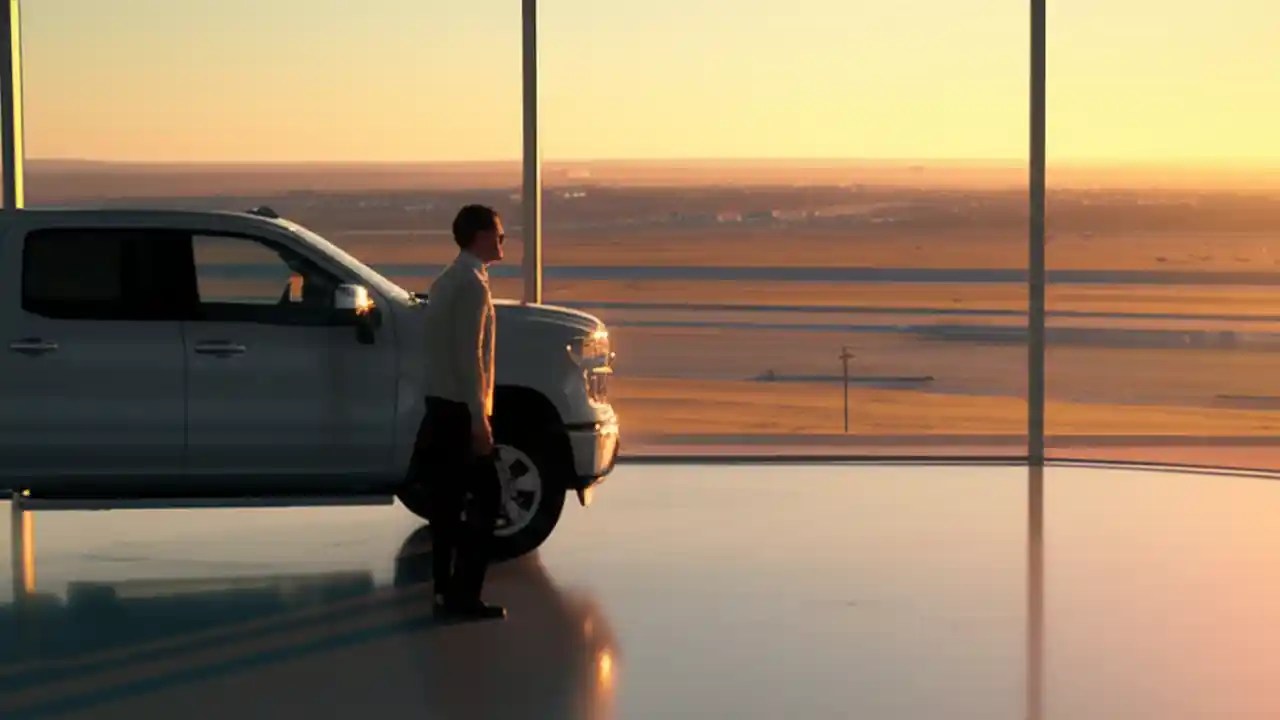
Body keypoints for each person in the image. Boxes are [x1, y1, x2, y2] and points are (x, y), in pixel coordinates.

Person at [414, 203, 507, 621]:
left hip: (440, 405)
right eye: (499, 234)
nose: (502, 241)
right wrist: (478, 416)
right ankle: (464, 594)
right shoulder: (471, 285)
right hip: (459, 410)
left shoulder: (447, 280)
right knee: (488, 498)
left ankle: (443, 591)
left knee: (446, 506)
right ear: (481, 236)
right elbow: (470, 355)